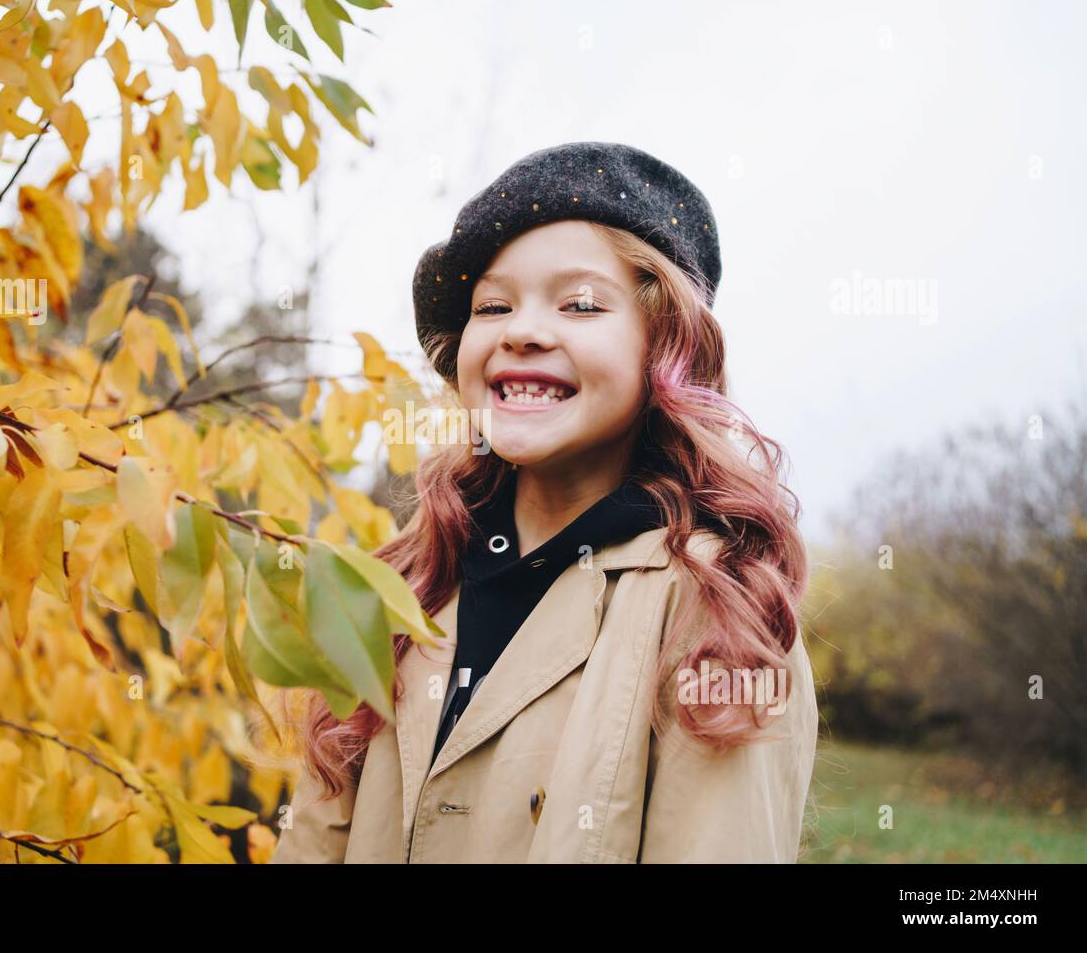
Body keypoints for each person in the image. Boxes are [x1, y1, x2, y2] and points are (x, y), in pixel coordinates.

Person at [270, 141, 819, 863]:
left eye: (581, 304)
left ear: (665, 348)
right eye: (492, 305)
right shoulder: (403, 584)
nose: (522, 330)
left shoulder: (717, 611)